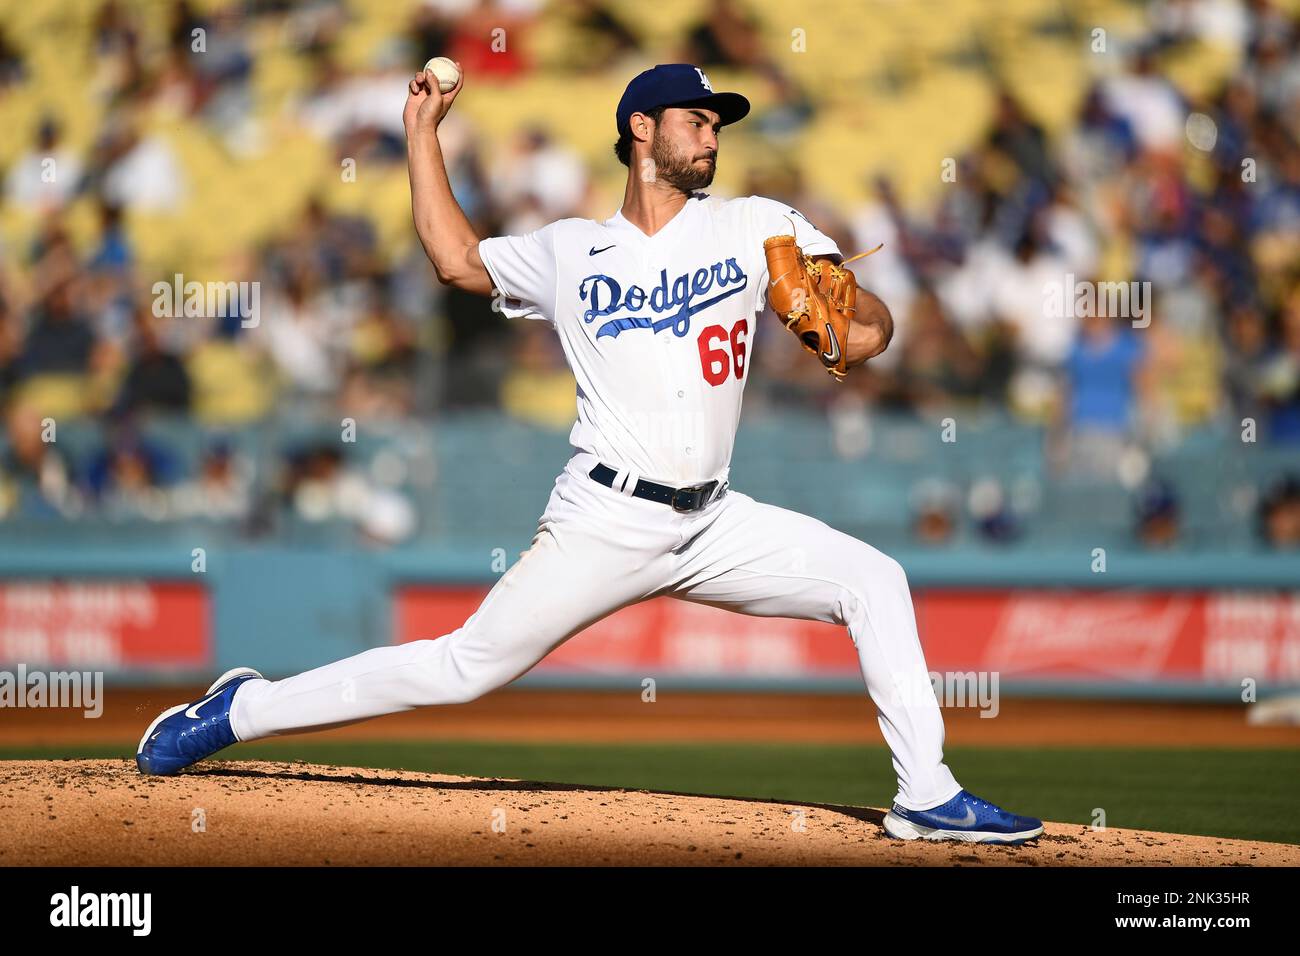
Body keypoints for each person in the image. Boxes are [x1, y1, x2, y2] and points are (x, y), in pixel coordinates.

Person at [137, 63, 1043, 844]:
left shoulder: (754, 225)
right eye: (697, 118)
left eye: (719, 123)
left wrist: (850, 326)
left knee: (873, 578)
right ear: (640, 129)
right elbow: (455, 259)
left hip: (716, 517)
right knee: (464, 669)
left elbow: (871, 324)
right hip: (605, 515)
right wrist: (421, 132)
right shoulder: (572, 250)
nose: (712, 134)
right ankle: (239, 709)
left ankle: (925, 794)